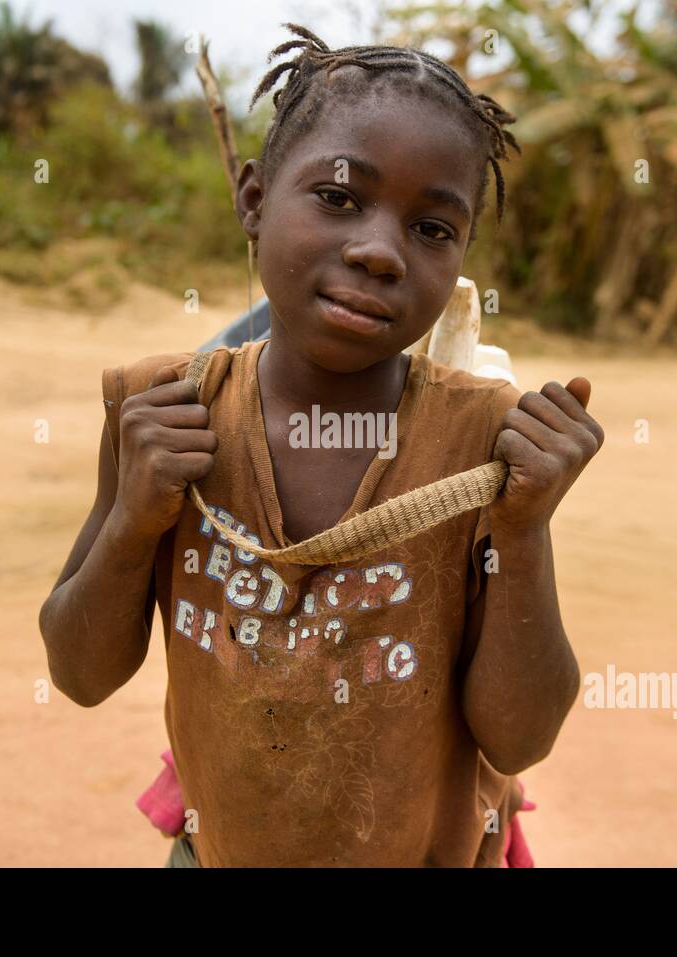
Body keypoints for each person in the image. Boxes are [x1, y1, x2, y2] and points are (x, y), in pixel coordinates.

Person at [38, 22, 603, 867]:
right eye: (339, 198)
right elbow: (80, 673)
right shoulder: (161, 412)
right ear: (255, 200)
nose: (379, 252)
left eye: (433, 229)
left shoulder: (481, 443)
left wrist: (522, 530)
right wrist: (132, 518)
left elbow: (519, 737)